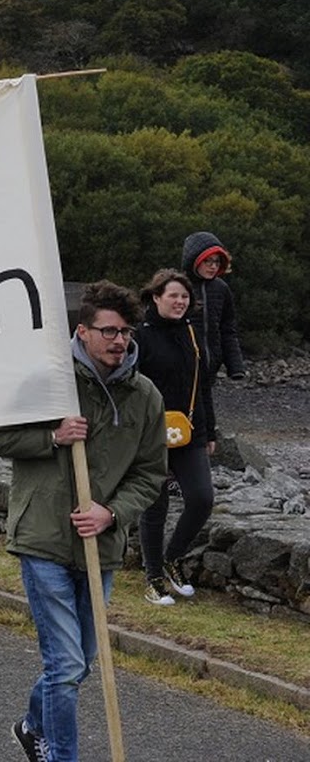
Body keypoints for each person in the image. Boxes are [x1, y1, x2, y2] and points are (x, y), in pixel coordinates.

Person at [0, 281, 166, 762]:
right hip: (43, 537)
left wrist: (112, 512)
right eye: (108, 331)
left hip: (99, 544)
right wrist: (53, 436)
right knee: (63, 666)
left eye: (125, 331)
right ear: (82, 332)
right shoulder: (47, 381)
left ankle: (30, 724)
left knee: (82, 663)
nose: (119, 340)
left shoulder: (145, 396)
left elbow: (150, 474)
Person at [135, 269, 213, 606]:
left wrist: (211, 432)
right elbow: (130, 389)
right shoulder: (140, 336)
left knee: (201, 498)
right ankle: (153, 578)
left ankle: (173, 557)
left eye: (185, 297)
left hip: (190, 431)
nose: (180, 302)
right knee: (156, 506)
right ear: (156, 297)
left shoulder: (193, 333)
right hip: (151, 434)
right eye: (173, 296)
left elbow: (203, 386)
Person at [182, 231, 246, 428]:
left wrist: (235, 366)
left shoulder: (221, 289)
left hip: (211, 363)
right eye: (207, 261)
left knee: (204, 404)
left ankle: (207, 440)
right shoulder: (178, 286)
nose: (212, 266)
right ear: (194, 260)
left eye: (216, 262)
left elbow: (228, 329)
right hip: (183, 361)